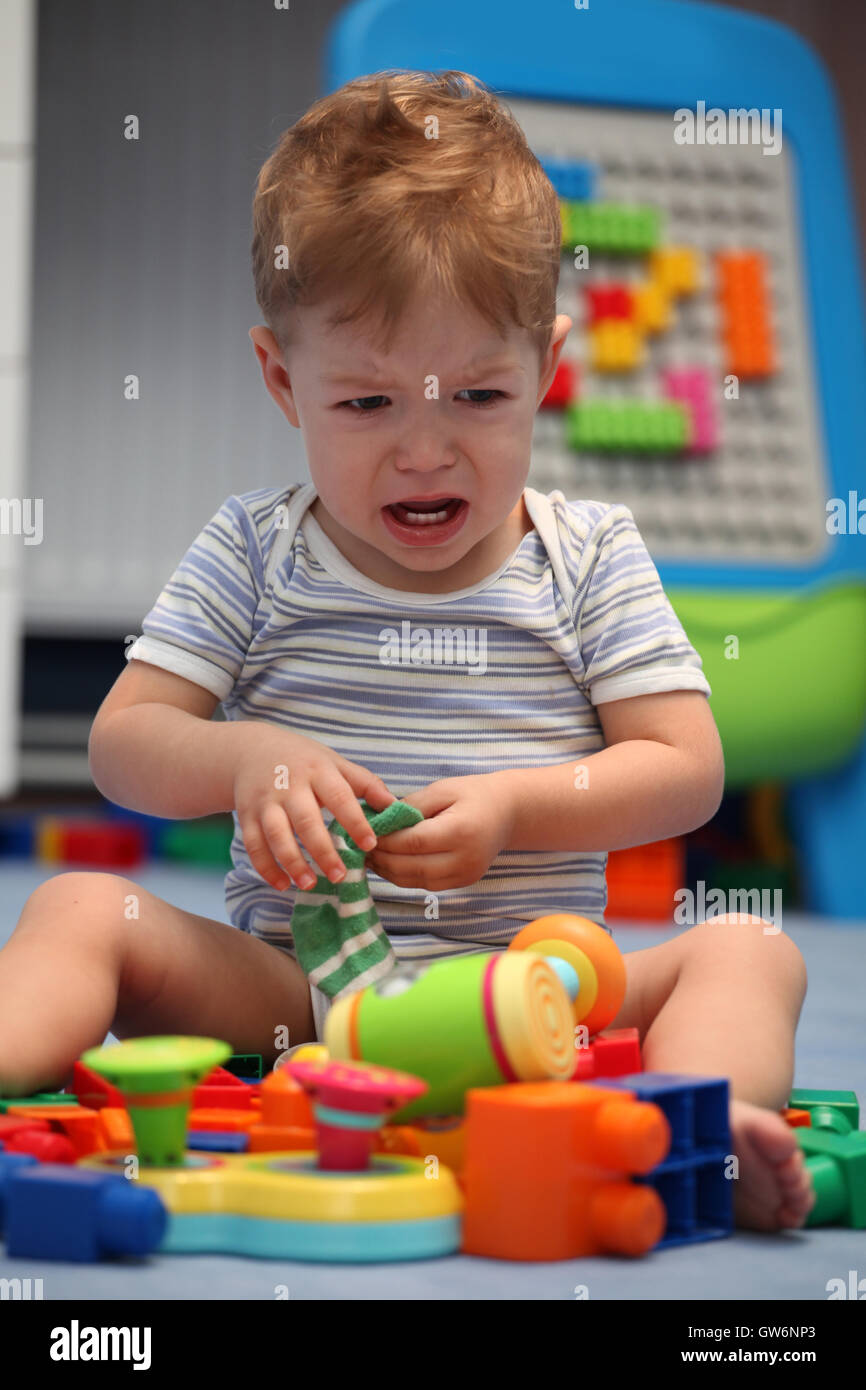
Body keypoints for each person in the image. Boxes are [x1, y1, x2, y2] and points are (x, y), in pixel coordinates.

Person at [0, 70, 812, 1231]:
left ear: (547, 368)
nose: (424, 452)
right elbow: (125, 743)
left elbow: (684, 767)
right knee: (82, 906)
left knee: (745, 945)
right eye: (368, 405)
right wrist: (246, 760)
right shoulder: (253, 548)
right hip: (301, 1000)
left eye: (478, 395)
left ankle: (703, 1122)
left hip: (543, 993)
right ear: (283, 381)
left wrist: (512, 813)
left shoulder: (587, 558)